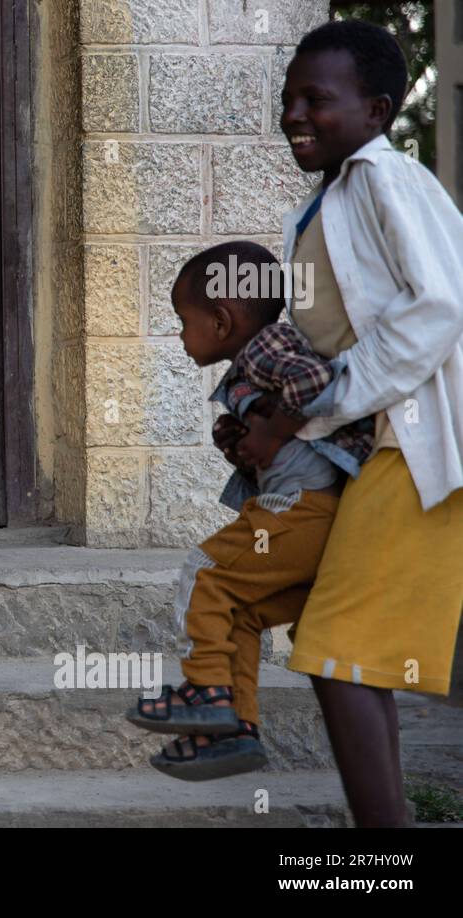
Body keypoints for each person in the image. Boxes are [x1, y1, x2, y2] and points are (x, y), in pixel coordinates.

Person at [220, 19, 463, 825]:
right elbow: (324, 346)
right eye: (288, 98)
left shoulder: (384, 179)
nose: (295, 114)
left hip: (414, 449)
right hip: (378, 447)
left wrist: (323, 399)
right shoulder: (331, 198)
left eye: (316, 99)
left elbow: (438, 308)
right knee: (348, 657)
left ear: (378, 109)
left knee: (339, 656)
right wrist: (274, 418)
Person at [127, 241, 373, 781]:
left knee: (206, 574)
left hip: (300, 512)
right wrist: (240, 436)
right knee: (238, 609)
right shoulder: (250, 366)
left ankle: (207, 691)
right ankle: (235, 730)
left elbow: (316, 382)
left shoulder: (266, 346)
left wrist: (270, 432)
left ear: (219, 320)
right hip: (310, 523)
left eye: (182, 319)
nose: (179, 333)